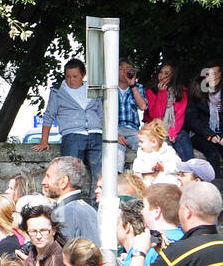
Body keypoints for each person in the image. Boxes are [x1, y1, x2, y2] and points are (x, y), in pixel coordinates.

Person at [34, 58, 102, 196]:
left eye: (75, 76)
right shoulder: (58, 92)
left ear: (83, 75)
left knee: (99, 173)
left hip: (96, 134)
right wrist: (44, 140)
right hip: (73, 135)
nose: (71, 80)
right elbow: (49, 115)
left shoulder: (93, 89)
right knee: (71, 173)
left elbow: (102, 113)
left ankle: (96, 205)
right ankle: (72, 203)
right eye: (68, 76)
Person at [184, 60, 223, 177]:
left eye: (214, 73)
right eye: (208, 74)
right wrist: (210, 135)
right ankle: (216, 187)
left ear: (220, 74)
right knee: (213, 154)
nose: (211, 77)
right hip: (202, 133)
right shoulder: (197, 90)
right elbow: (192, 119)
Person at [43, 156, 100, 244]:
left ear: (63, 182)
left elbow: (61, 253)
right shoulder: (89, 209)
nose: (43, 182)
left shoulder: (66, 211)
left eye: (48, 177)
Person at [144, 62, 191, 162]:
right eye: (161, 72)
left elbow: (179, 115)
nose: (162, 76)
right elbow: (156, 116)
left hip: (174, 128)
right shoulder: (151, 91)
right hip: (156, 127)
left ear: (173, 76)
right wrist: (161, 93)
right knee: (165, 149)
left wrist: (172, 132)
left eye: (166, 73)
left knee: (183, 140)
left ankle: (190, 173)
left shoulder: (182, 91)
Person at [131, 119, 180, 185]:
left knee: (170, 178)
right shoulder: (142, 154)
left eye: (141, 142)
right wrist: (153, 168)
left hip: (166, 185)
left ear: (153, 142)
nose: (139, 144)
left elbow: (178, 166)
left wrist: (163, 167)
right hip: (149, 184)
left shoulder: (168, 152)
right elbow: (136, 167)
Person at [116, 61, 148, 160]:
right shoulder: (110, 88)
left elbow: (143, 106)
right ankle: (118, 175)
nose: (124, 72)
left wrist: (132, 85)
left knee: (146, 151)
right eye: (121, 69)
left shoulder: (138, 87)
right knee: (117, 153)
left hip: (132, 129)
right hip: (115, 128)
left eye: (128, 69)